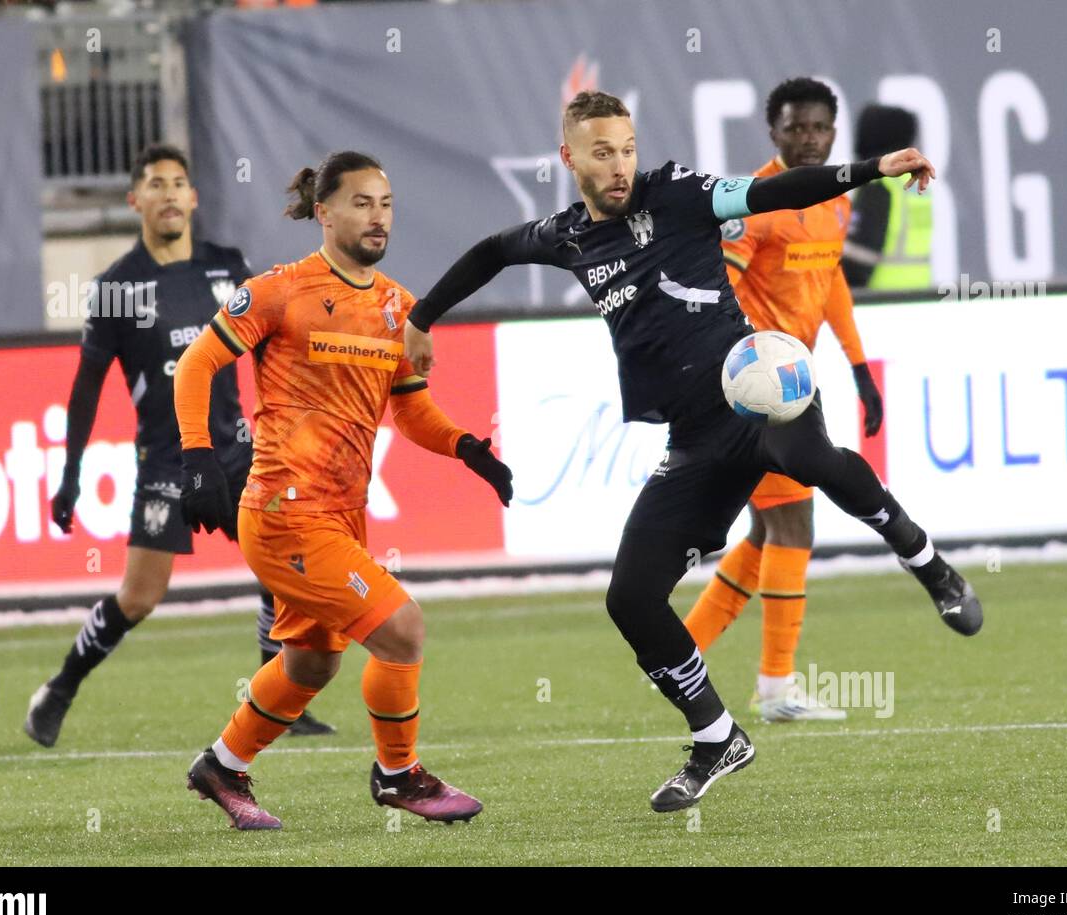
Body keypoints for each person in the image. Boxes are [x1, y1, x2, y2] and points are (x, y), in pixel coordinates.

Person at [404, 91, 982, 814]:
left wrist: (868, 169)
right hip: (696, 440)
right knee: (631, 599)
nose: (619, 166)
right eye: (602, 152)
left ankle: (925, 559)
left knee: (812, 461)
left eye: (626, 149)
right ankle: (717, 737)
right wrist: (420, 317)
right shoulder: (567, 237)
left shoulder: (678, 193)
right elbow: (493, 250)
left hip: (756, 390)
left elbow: (775, 191)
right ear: (569, 159)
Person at [174, 151, 512, 829]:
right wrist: (197, 460)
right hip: (283, 512)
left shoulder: (398, 309)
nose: (378, 216)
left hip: (341, 514)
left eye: (386, 203)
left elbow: (411, 408)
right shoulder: (279, 290)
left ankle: (222, 767)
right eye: (361, 202)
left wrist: (466, 446)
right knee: (402, 629)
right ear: (324, 213)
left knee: (310, 663)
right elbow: (196, 362)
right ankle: (400, 776)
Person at [25, 144, 334, 748]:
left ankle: (278, 699)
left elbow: (274, 343)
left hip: (238, 451)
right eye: (155, 184)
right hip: (168, 462)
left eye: (178, 183)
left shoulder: (228, 265)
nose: (168, 193)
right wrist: (71, 473)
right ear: (134, 200)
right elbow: (87, 385)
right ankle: (59, 689)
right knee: (139, 597)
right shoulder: (116, 288)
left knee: (284, 556)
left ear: (193, 198)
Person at [684, 77, 883, 722]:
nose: (807, 139)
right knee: (794, 524)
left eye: (818, 128)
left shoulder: (835, 199)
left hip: (797, 384)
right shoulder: (758, 204)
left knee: (768, 530)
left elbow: (829, 289)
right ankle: (775, 687)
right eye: (795, 128)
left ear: (833, 133)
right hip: (755, 389)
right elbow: (722, 285)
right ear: (773, 132)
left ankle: (679, 652)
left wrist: (858, 368)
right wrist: (729, 369)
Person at [841, 104, 933, 289]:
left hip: (879, 298)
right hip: (918, 292)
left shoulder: (879, 186)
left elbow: (859, 258)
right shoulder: (915, 184)